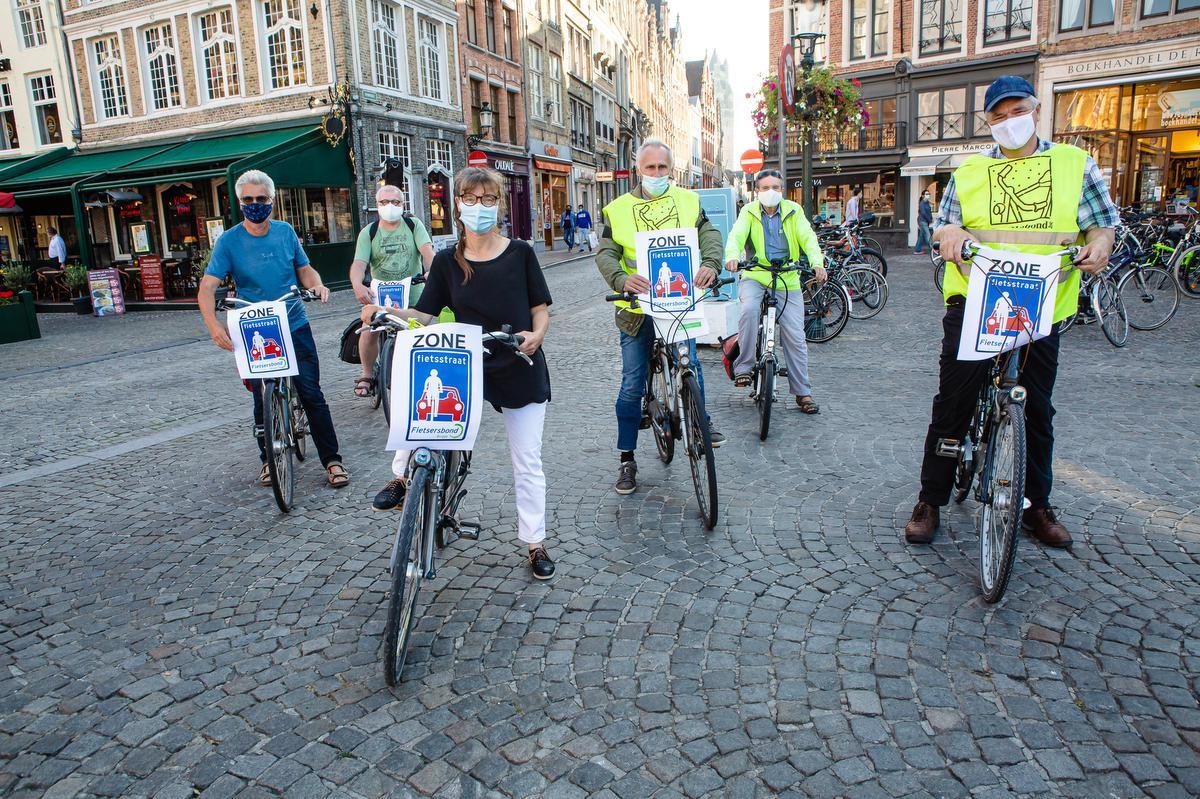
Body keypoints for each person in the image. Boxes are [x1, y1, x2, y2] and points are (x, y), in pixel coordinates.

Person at [904, 76, 1117, 549]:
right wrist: (951, 236)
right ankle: (930, 499)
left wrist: (1099, 247)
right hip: (976, 299)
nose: (1008, 123)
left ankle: (1035, 505)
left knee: (1037, 408)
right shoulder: (971, 172)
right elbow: (944, 226)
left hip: (1044, 303)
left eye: (1016, 112)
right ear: (988, 123)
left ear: (1036, 110)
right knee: (953, 403)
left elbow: (1102, 225)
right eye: (998, 117)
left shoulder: (1073, 164)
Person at [361, 166, 555, 580]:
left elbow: (540, 308)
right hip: (467, 360)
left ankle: (535, 543)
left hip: (516, 357)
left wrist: (536, 336)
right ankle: (401, 478)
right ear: (457, 204)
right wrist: (385, 312)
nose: (479, 207)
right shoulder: (449, 260)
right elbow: (425, 314)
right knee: (427, 409)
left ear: (499, 205)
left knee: (527, 459)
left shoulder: (520, 252)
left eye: (488, 200)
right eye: (471, 199)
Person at [198, 169, 349, 489]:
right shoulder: (228, 241)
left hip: (292, 320)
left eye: (261, 199)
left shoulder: (285, 233)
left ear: (272, 201)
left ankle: (332, 460)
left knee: (310, 393)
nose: (255, 205)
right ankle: (268, 459)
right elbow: (207, 287)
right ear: (239, 203)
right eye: (248, 200)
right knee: (261, 397)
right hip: (256, 327)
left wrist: (318, 285)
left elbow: (304, 269)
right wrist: (213, 325)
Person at [596, 138, 725, 496]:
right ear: (639, 169)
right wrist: (621, 279)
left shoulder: (689, 201)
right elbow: (606, 253)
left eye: (662, 167)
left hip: (678, 302)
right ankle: (627, 458)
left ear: (671, 169)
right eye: (649, 168)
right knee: (632, 383)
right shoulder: (617, 208)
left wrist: (711, 264)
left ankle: (701, 420)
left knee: (691, 363)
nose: (656, 173)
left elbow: (709, 234)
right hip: (636, 309)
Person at [724, 168, 827, 414]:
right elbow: (736, 236)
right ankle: (744, 368)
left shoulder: (794, 210)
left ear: (782, 190)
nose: (771, 192)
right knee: (748, 310)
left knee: (795, 336)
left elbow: (808, 237)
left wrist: (817, 262)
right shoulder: (748, 211)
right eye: (765, 188)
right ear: (756, 191)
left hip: (787, 278)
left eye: (776, 187)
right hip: (756, 275)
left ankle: (803, 393)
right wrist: (732, 257)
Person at [349, 184, 435, 398]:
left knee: (416, 333)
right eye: (384, 203)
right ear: (377, 206)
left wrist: (432, 271)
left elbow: (427, 252)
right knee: (369, 329)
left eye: (395, 202)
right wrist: (358, 285)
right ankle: (367, 374)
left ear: (402, 205)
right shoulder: (369, 232)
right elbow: (359, 264)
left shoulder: (413, 225)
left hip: (412, 294)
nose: (390, 206)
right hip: (381, 295)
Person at [915, 189, 934, 254]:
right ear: (923, 195)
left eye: (928, 194)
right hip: (922, 221)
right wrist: (929, 219)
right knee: (928, 235)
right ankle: (933, 249)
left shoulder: (927, 202)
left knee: (921, 236)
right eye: (926, 194)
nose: (928, 195)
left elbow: (929, 212)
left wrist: (931, 218)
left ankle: (917, 250)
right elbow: (923, 213)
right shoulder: (922, 203)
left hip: (925, 221)